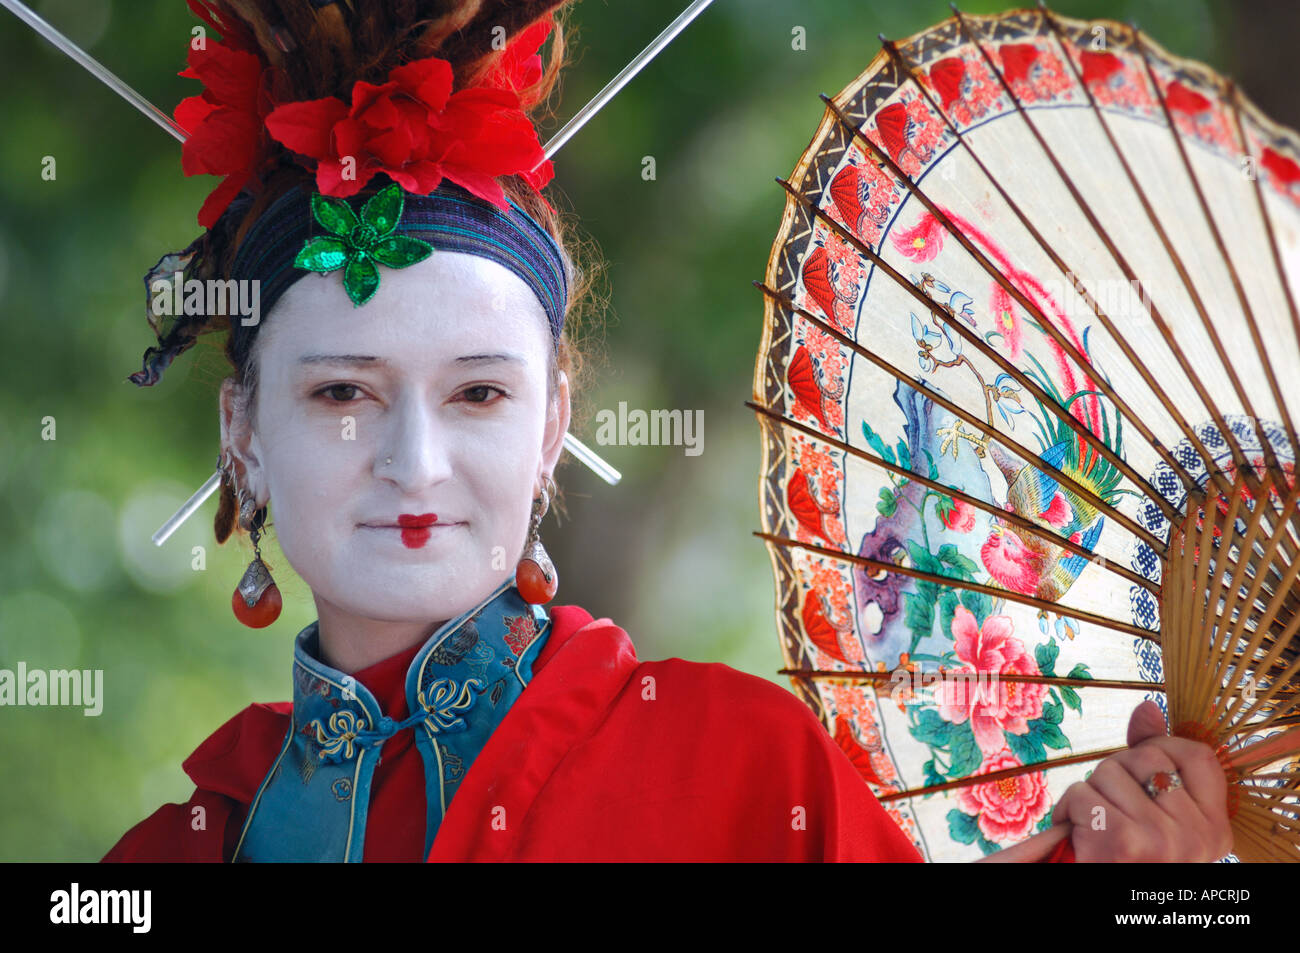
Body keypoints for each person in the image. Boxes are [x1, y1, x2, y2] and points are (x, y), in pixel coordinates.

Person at [103, 0, 1232, 863]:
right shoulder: (175, 850)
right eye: (343, 393)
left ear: (552, 427)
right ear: (241, 431)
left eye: (479, 395)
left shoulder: (743, 764)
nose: (416, 462)